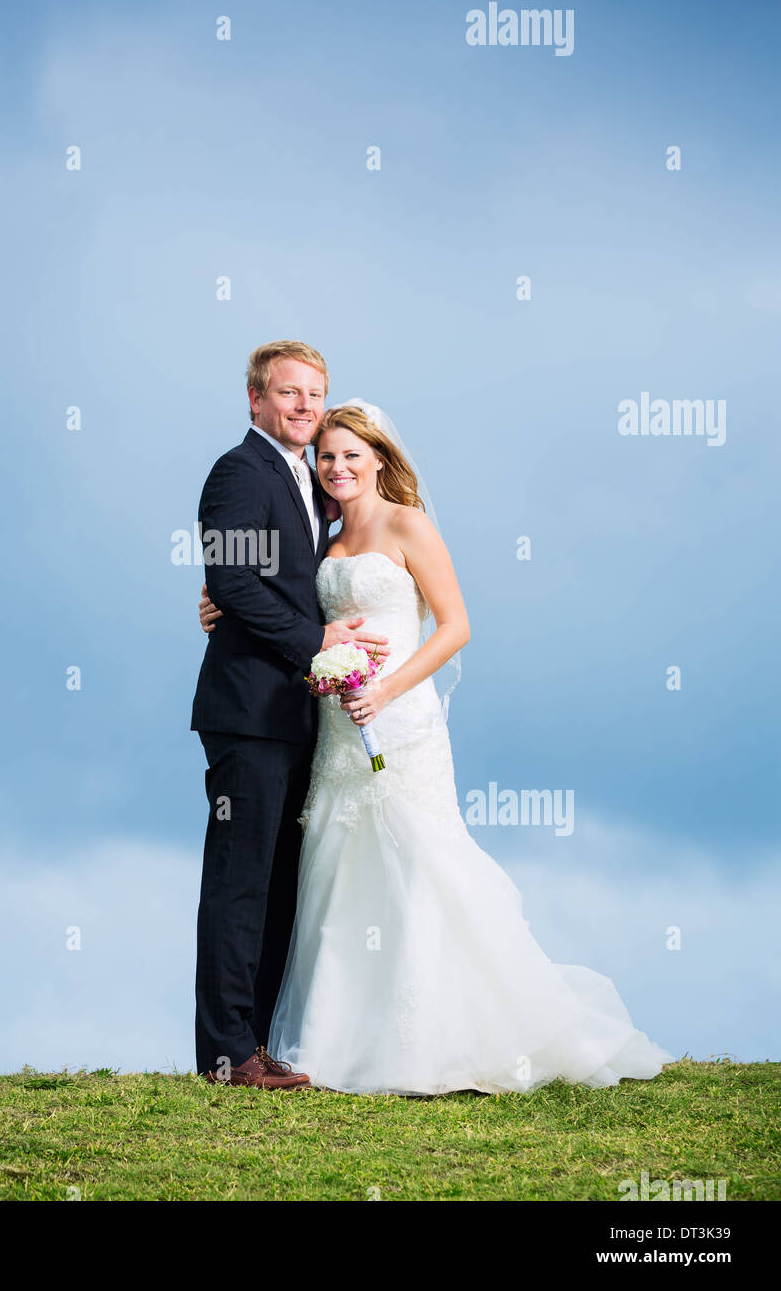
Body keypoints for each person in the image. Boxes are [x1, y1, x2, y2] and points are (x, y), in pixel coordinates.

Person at [198, 402, 675, 1095]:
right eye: (327, 457)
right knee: (338, 869)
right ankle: (343, 1045)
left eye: (352, 456)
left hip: (397, 717)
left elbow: (455, 627)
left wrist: (386, 693)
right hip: (334, 727)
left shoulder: (407, 524)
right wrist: (216, 601)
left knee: (422, 863)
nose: (336, 468)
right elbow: (266, 590)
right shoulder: (321, 534)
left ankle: (448, 1039)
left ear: (380, 460)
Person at [190, 343, 390, 1089]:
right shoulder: (240, 471)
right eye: (289, 393)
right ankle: (225, 1055)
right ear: (255, 400)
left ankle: (253, 1046)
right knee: (239, 881)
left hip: (299, 715)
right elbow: (232, 578)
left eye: (316, 394)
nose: (305, 406)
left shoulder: (314, 482)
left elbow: (281, 582)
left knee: (277, 886)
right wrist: (317, 641)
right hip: (248, 711)